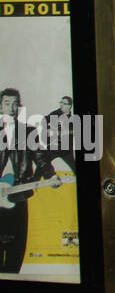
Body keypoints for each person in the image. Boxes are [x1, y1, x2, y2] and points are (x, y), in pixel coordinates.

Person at [0, 89, 58, 274]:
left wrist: (51, 175)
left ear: (19, 106)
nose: (11, 106)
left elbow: (40, 157)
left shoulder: (28, 132)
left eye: (15, 103)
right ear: (0, 106)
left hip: (19, 194)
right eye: (7, 102)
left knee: (17, 248)